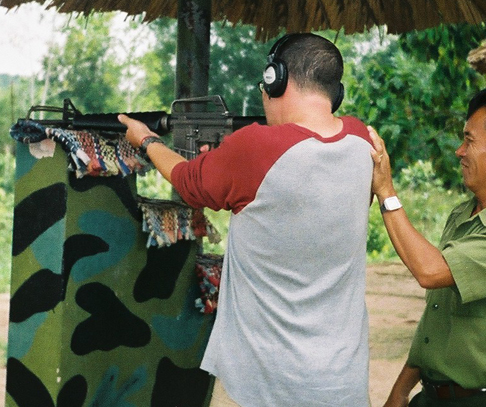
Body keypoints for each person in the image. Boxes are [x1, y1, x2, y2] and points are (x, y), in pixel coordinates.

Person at [118, 33, 374, 407]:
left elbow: (188, 182)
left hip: (264, 386)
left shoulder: (256, 147)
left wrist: (146, 140)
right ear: (335, 92)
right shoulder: (363, 140)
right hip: (343, 383)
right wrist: (224, 164)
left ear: (276, 79)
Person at [367, 81, 486, 407]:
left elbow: (430, 271)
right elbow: (439, 317)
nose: (459, 151)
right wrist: (401, 390)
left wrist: (386, 191)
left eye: (469, 140)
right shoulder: (463, 213)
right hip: (432, 396)